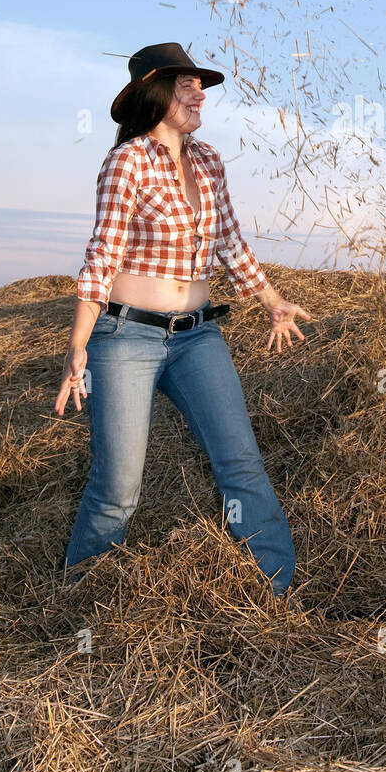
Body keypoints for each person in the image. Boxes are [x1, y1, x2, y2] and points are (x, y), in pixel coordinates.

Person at [56, 41, 310, 595]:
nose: (200, 93)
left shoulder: (210, 160)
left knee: (240, 462)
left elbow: (229, 242)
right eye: (186, 84)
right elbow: (102, 255)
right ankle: (79, 597)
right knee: (118, 484)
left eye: (201, 84)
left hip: (198, 338)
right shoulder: (127, 162)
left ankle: (278, 592)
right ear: (155, 92)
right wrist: (78, 347)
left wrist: (271, 300)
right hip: (125, 337)